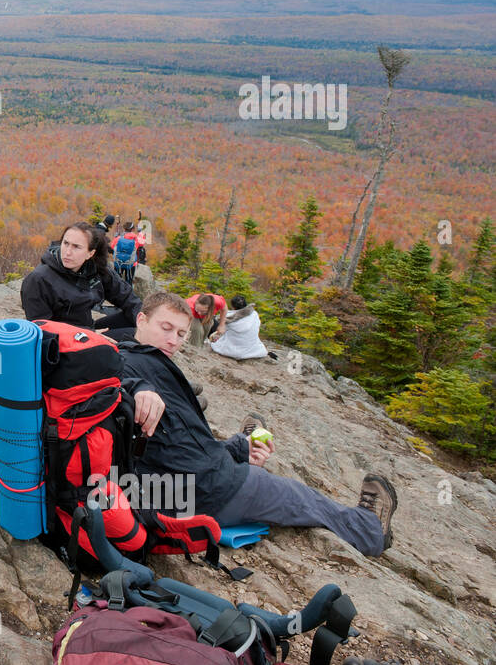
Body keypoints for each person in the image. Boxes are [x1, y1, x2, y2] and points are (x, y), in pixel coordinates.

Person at [117, 291, 396, 556]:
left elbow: (180, 440)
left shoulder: (146, 359)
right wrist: (138, 388)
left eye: (181, 334)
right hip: (201, 492)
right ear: (141, 320)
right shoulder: (125, 364)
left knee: (221, 449)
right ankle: (369, 530)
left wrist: (237, 449)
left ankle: (242, 448)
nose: (173, 341)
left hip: (178, 481)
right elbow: (108, 381)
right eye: (165, 328)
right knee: (297, 495)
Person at [21, 222, 143, 342]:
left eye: (76, 247)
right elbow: (42, 328)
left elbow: (126, 297)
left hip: (88, 329)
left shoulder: (95, 268)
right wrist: (87, 334)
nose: (67, 252)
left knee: (141, 321)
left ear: (90, 253)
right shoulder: (39, 279)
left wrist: (149, 320)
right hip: (65, 341)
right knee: (138, 337)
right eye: (66, 243)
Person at [210, 294, 269, 360]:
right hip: (251, 349)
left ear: (233, 306)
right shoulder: (254, 314)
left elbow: (221, 326)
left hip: (232, 350)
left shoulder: (229, 317)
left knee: (214, 322)